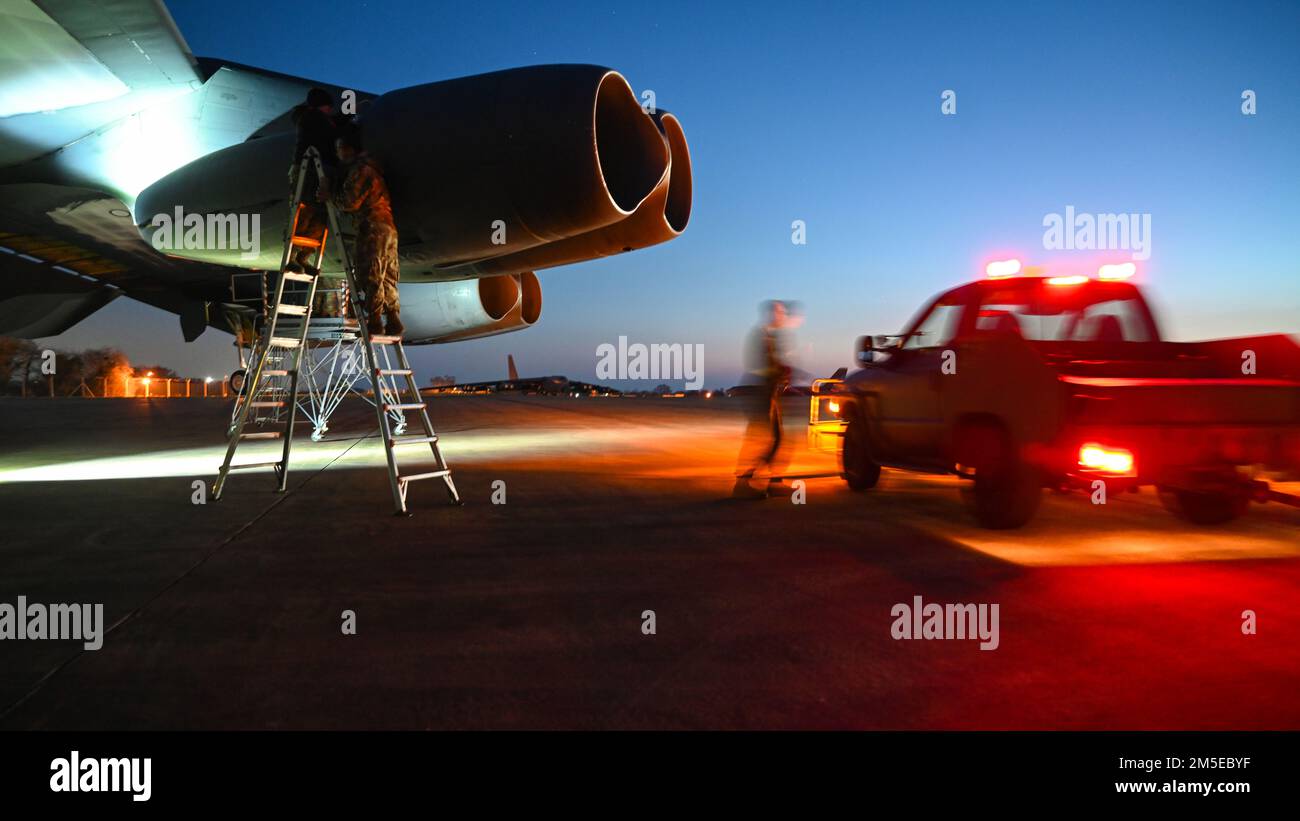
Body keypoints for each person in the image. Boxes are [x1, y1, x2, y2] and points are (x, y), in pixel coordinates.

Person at [326, 125, 403, 337]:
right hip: (388, 229)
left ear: (349, 149)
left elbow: (349, 201)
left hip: (371, 228)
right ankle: (394, 319)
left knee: (371, 274)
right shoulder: (374, 168)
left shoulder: (361, 170)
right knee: (388, 275)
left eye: (340, 148)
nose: (338, 153)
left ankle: (375, 321)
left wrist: (329, 193)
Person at [733, 300, 801, 498]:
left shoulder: (768, 336)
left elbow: (772, 365)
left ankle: (774, 481)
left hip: (768, 391)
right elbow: (764, 365)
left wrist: (783, 372)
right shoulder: (761, 336)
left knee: (777, 438)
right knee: (763, 438)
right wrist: (783, 370)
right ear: (772, 314)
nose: (783, 316)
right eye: (780, 312)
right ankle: (743, 482)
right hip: (760, 391)